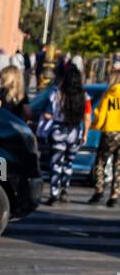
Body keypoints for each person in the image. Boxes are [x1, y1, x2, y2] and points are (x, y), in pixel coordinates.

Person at [40, 62, 91, 204]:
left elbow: (47, 114)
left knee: (56, 163)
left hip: (58, 131)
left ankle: (54, 193)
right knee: (69, 162)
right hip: (75, 131)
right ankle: (64, 189)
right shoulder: (84, 96)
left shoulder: (57, 93)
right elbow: (87, 117)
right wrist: (85, 133)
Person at [89, 72, 120, 206]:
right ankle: (114, 194)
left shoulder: (108, 95)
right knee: (118, 165)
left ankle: (99, 190)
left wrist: (95, 126)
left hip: (110, 131)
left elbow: (100, 116)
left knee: (101, 161)